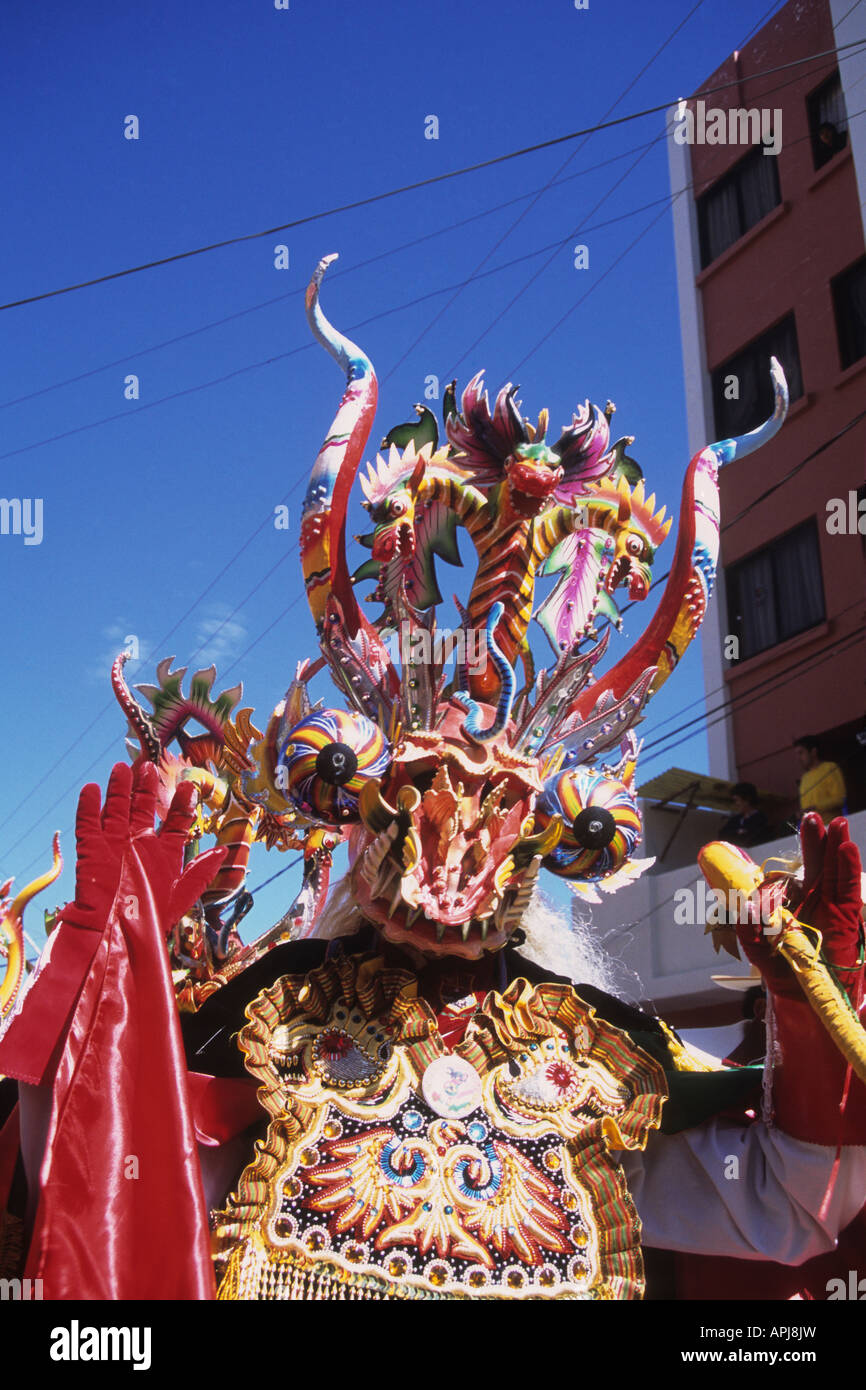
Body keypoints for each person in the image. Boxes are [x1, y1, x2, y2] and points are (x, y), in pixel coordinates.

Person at [794, 735, 846, 826]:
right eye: (797, 754)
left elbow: (840, 800)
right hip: (813, 832)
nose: (798, 758)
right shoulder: (804, 778)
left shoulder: (830, 767)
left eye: (801, 753)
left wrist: (815, 807)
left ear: (813, 752)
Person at [718, 781, 769, 847]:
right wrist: (739, 832)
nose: (735, 804)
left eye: (737, 800)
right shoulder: (734, 820)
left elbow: (757, 837)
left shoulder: (761, 818)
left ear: (747, 799)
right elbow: (722, 836)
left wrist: (737, 834)